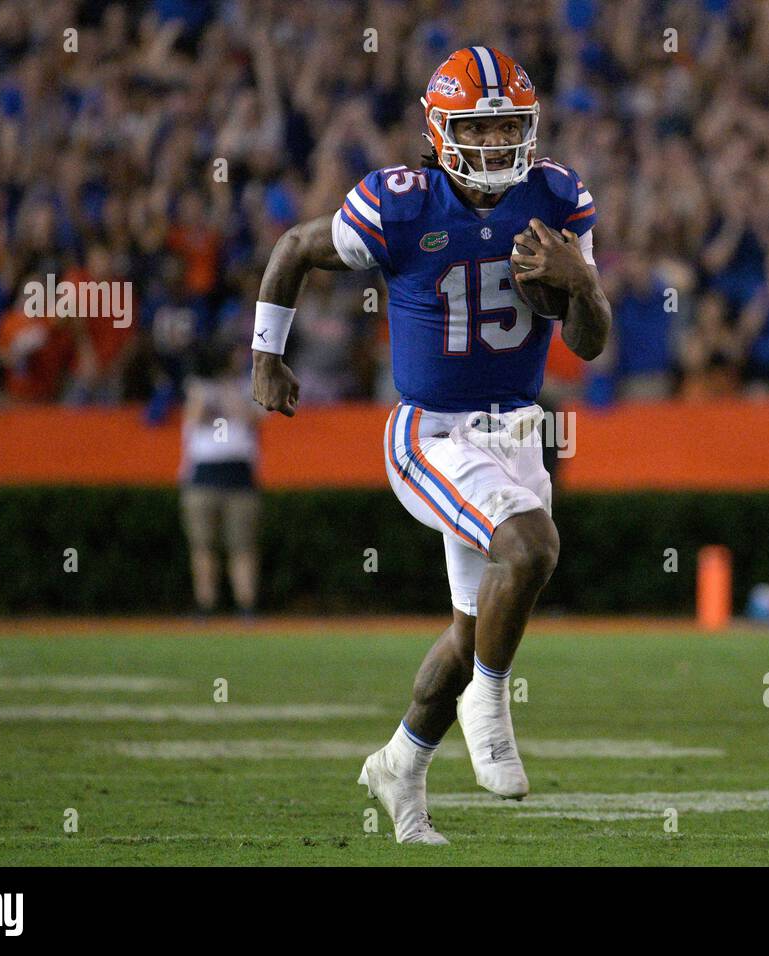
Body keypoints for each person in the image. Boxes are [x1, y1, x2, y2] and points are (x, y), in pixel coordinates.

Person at [251, 48, 610, 844]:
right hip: (431, 433)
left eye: (508, 127)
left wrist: (580, 281)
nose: (494, 143)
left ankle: (401, 765)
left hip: (514, 434)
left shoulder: (555, 196)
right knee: (532, 548)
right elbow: (292, 252)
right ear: (440, 131)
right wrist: (265, 357)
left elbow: (589, 345)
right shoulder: (401, 204)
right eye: (477, 127)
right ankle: (491, 702)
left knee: (466, 627)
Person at [179, 344, 264, 618]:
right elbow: (194, 417)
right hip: (202, 475)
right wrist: (208, 389)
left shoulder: (248, 386)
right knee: (203, 546)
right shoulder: (198, 388)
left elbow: (250, 417)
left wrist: (227, 389)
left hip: (239, 475)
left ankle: (246, 604)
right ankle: (205, 604)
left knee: (242, 545)